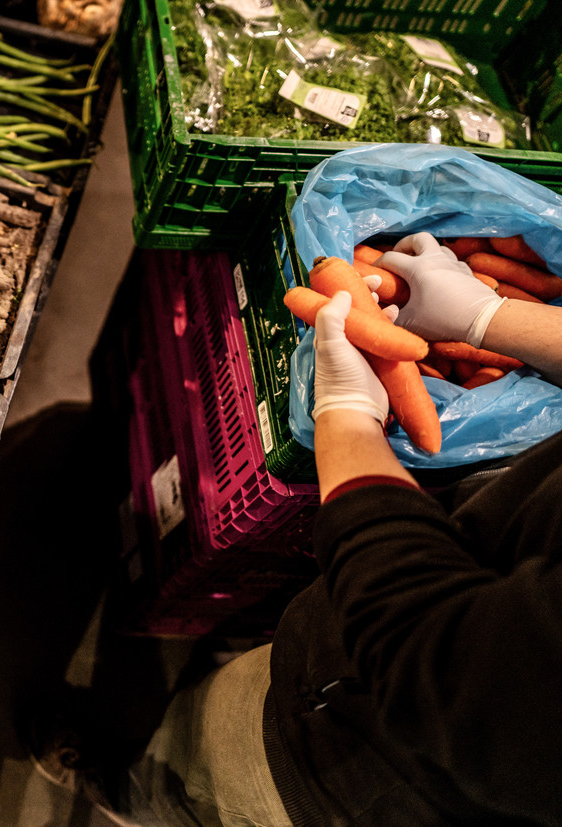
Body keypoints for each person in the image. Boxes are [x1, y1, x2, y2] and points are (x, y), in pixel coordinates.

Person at [45, 232, 562, 826]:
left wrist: (348, 415)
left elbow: (424, 650)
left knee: (199, 773)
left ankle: (140, 796)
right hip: (380, 634)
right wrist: (487, 318)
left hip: (356, 772)